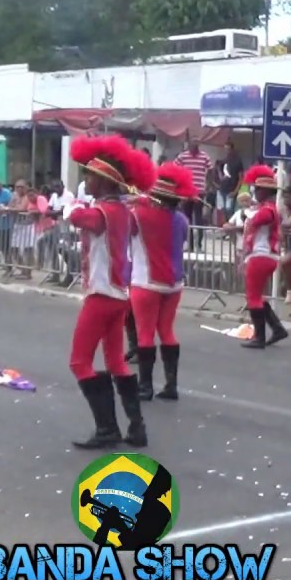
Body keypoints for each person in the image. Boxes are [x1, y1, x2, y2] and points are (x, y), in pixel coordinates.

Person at [66, 136, 157, 450]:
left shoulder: (103, 210)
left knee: (80, 362)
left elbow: (78, 217)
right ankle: (136, 427)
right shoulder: (124, 211)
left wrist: (72, 204)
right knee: (116, 361)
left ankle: (107, 429)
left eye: (89, 175)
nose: (85, 180)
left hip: (102, 294)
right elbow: (129, 229)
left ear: (103, 182)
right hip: (120, 294)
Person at [130, 163, 196, 402]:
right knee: (167, 331)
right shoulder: (181, 220)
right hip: (174, 284)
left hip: (146, 282)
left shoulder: (138, 215)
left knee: (145, 334)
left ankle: (145, 387)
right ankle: (171, 386)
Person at [237, 166, 290, 349]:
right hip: (263, 256)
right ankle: (277, 329)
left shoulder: (268, 209)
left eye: (258, 189)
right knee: (257, 296)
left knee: (252, 296)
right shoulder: (263, 207)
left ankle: (259, 337)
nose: (255, 191)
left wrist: (250, 218)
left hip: (261, 255)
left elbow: (264, 218)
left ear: (265, 191)